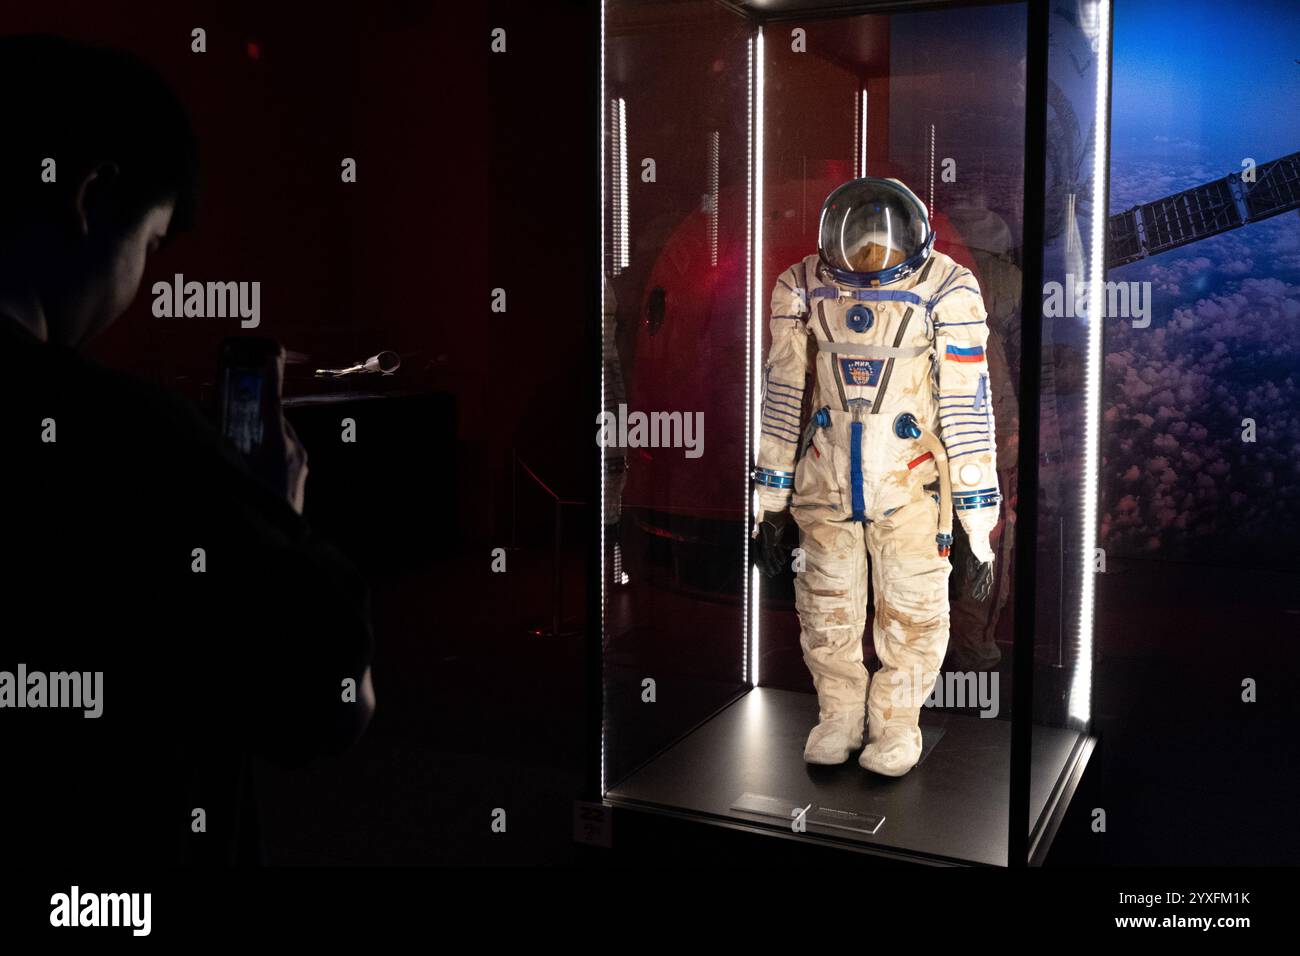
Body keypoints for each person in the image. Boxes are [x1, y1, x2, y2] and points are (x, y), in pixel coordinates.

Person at [0, 35, 374, 865]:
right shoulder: (134, 440)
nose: (140, 282)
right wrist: (276, 519)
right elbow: (327, 703)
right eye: (154, 243)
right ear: (91, 197)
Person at [753, 177, 1000, 777]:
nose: (872, 258)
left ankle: (895, 725)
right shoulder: (802, 285)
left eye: (884, 249)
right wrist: (769, 500)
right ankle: (838, 717)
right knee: (826, 609)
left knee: (914, 613)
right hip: (824, 480)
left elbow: (967, 406)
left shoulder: (946, 288)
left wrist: (978, 523)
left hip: (912, 486)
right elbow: (783, 394)